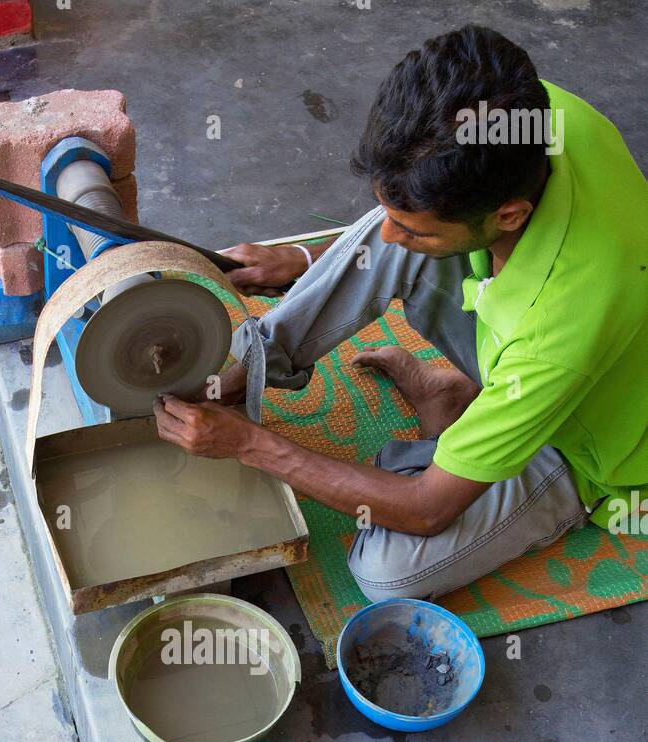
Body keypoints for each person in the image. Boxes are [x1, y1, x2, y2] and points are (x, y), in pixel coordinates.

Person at [153, 24, 648, 600]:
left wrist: (251, 446)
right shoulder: (532, 118)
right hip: (536, 346)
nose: (386, 236)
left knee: (388, 572)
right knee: (406, 233)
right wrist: (304, 257)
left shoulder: (557, 333)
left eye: (411, 228)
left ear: (510, 216)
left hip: (584, 440)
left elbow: (425, 511)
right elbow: (402, 221)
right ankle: (250, 372)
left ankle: (459, 429)